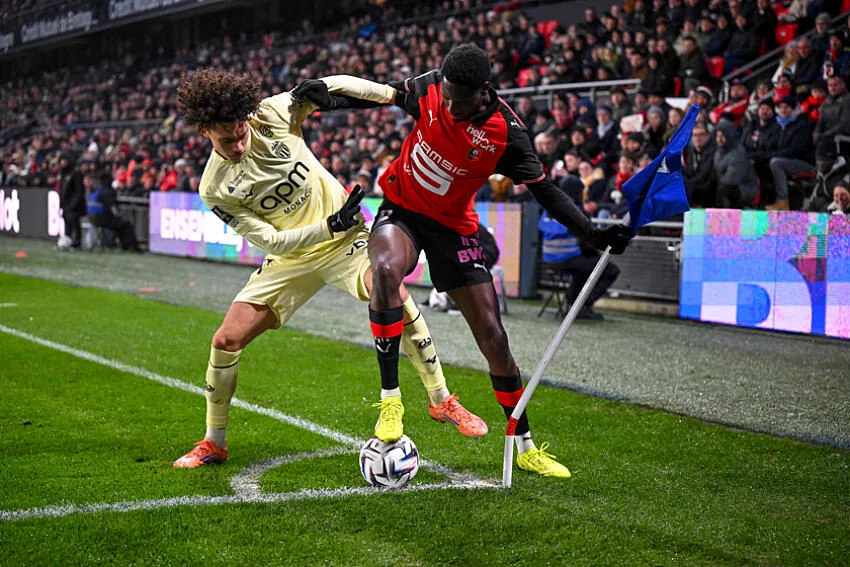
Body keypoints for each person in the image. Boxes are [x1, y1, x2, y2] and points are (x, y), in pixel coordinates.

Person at [293, 43, 631, 478]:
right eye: (446, 94)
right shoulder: (434, 86)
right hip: (403, 208)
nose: (448, 104)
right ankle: (391, 400)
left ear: (484, 91)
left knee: (493, 337)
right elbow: (381, 93)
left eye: (458, 98)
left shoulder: (507, 133)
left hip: (454, 227)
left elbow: (544, 189)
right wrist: (329, 97)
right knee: (383, 269)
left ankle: (525, 445)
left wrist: (589, 229)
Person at [171, 69, 486, 469]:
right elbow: (271, 242)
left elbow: (331, 85)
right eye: (225, 140)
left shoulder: (270, 114)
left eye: (240, 134)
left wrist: (393, 95)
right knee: (225, 341)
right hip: (292, 258)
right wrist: (326, 225)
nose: (236, 144)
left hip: (345, 242)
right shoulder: (214, 187)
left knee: (392, 293)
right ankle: (214, 442)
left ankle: (442, 400)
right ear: (204, 134)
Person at [84, 170, 142, 252]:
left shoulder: (95, 191)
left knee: (119, 225)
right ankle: (133, 247)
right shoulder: (106, 191)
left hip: (92, 218)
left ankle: (125, 246)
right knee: (125, 224)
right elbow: (111, 208)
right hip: (101, 218)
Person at [713, 120, 759, 208]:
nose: (719, 139)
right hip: (725, 185)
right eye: (717, 136)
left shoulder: (739, 153)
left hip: (744, 188)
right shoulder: (719, 152)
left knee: (724, 189)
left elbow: (732, 179)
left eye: (723, 136)